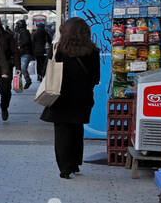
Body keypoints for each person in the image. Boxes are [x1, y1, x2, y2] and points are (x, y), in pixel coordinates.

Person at [41, 17, 101, 178]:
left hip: (60, 98)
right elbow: (96, 78)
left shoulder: (58, 49)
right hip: (82, 97)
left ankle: (64, 168)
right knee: (77, 129)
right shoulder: (93, 52)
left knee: (62, 133)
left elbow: (45, 72)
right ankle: (75, 164)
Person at [13, 18, 34, 89]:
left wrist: (20, 46)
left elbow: (26, 41)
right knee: (19, 69)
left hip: (25, 53)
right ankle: (19, 84)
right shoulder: (17, 33)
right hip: (19, 53)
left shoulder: (25, 32)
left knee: (23, 68)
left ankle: (28, 81)